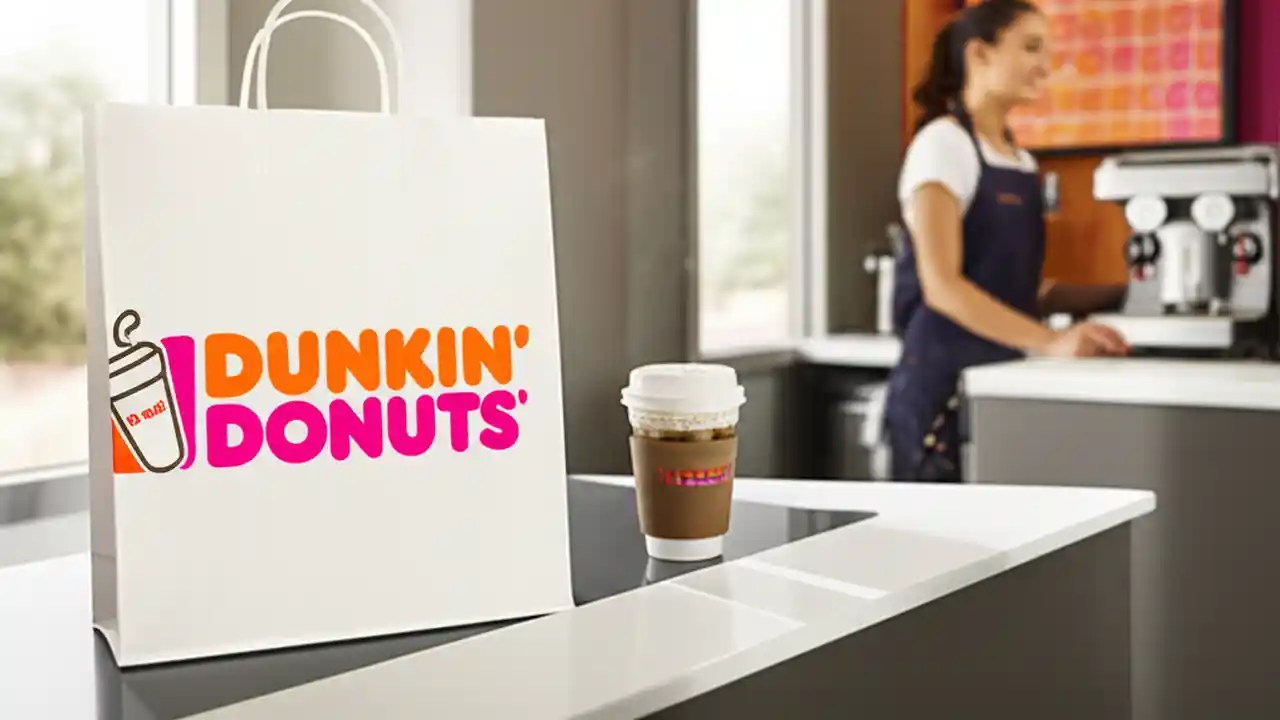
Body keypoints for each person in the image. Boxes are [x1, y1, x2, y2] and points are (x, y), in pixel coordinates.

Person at [887, 0, 1129, 483]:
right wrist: (1052, 342)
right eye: (1031, 47)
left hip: (998, 382)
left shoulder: (1020, 161)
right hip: (942, 393)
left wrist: (1124, 299)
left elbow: (1014, 288)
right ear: (979, 54)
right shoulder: (943, 145)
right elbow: (943, 287)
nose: (1045, 65)